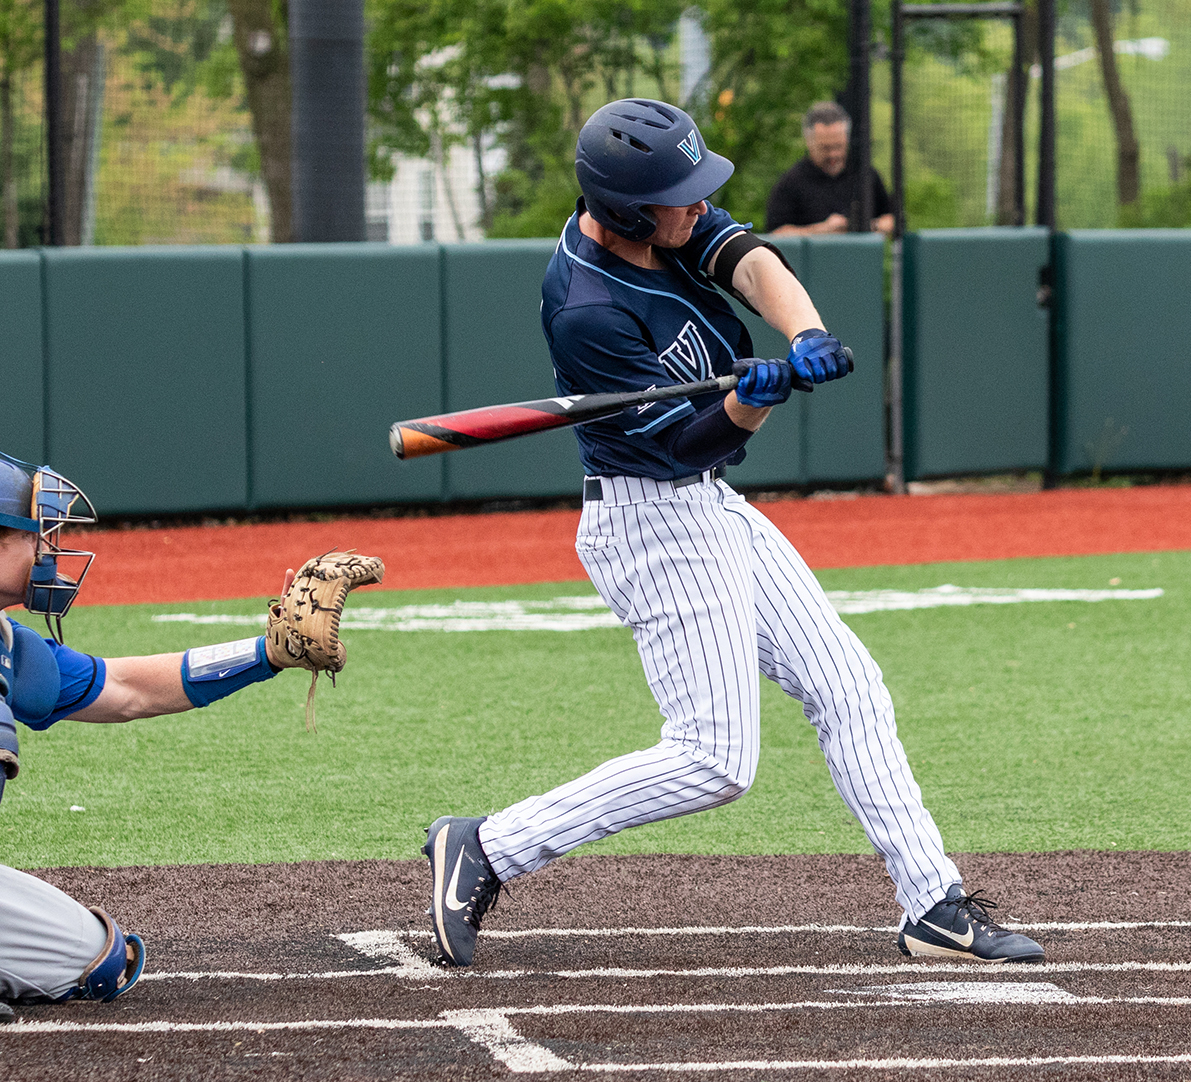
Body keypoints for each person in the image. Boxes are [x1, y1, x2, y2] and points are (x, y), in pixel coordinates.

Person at [422, 98, 1042, 969]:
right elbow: (678, 445)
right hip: (653, 517)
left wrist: (806, 331)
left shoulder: (661, 221)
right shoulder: (589, 309)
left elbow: (749, 260)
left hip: (710, 506)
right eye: (680, 196)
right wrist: (748, 400)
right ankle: (489, 846)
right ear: (629, 209)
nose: (697, 205)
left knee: (849, 686)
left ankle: (931, 903)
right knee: (715, 759)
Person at [0, 454, 376, 1020]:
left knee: (96, 961)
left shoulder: (10, 646)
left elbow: (127, 689)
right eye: (37, 537)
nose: (49, 553)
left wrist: (268, 653)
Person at [765, 101, 897, 236]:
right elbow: (776, 234)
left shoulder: (865, 175)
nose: (834, 154)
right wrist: (822, 230)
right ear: (809, 142)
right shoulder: (792, 182)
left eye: (839, 146)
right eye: (825, 148)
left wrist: (863, 226)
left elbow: (893, 220)